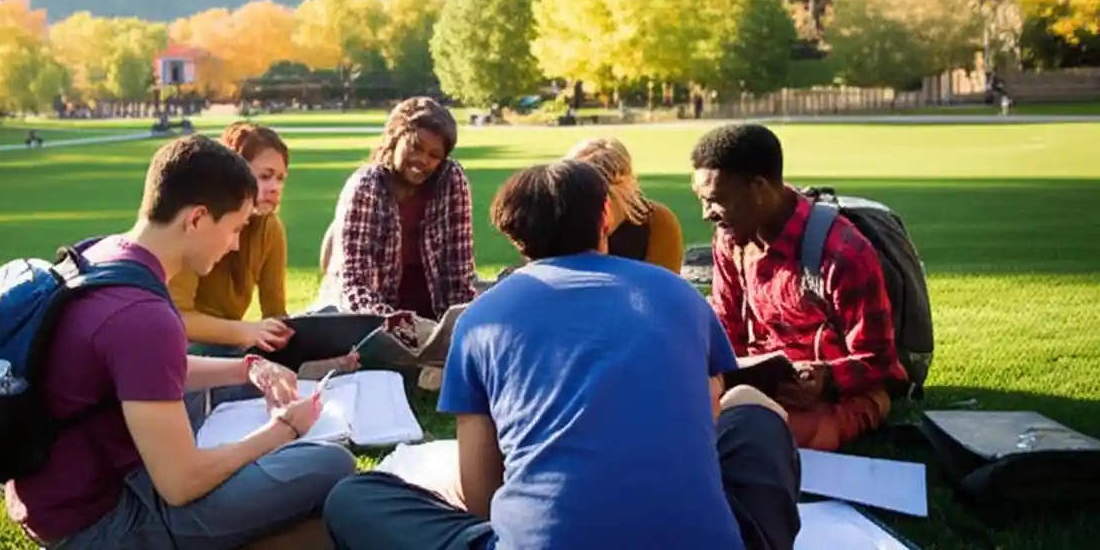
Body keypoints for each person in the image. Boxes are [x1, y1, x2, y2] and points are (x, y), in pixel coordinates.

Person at [324, 160, 801, 550]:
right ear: (604, 219)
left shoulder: (480, 319)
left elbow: (481, 498)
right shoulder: (679, 296)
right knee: (756, 412)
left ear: (515, 238)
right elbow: (709, 418)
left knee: (356, 497)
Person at [4, 135, 355, 549]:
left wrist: (248, 367)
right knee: (331, 463)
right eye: (235, 228)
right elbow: (181, 484)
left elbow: (146, 368)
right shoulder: (143, 315)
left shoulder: (104, 256)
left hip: (57, 497)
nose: (236, 244)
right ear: (197, 219)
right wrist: (283, 430)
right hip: (106, 520)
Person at [690, 123, 907, 451]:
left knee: (761, 439)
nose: (707, 214)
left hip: (838, 396)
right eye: (702, 200)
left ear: (759, 188)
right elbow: (726, 328)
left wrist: (827, 379)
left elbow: (882, 363)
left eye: (716, 200)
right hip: (760, 386)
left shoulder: (843, 253)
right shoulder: (731, 239)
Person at [316, 96, 477, 321]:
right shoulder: (367, 186)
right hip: (364, 317)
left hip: (430, 311)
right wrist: (396, 326)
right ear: (395, 138)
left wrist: (460, 323)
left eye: (434, 155)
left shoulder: (450, 181)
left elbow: (459, 272)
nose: (423, 160)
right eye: (416, 147)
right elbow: (354, 285)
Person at [168, 123, 293, 358]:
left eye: (280, 178)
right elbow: (178, 318)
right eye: (265, 177)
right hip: (188, 350)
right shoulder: (201, 222)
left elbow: (275, 312)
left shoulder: (270, 228)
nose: (275, 188)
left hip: (232, 343)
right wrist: (246, 332)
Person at [566, 136, 685, 273]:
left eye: (610, 197)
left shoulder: (658, 222)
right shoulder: (557, 220)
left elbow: (662, 287)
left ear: (626, 187)